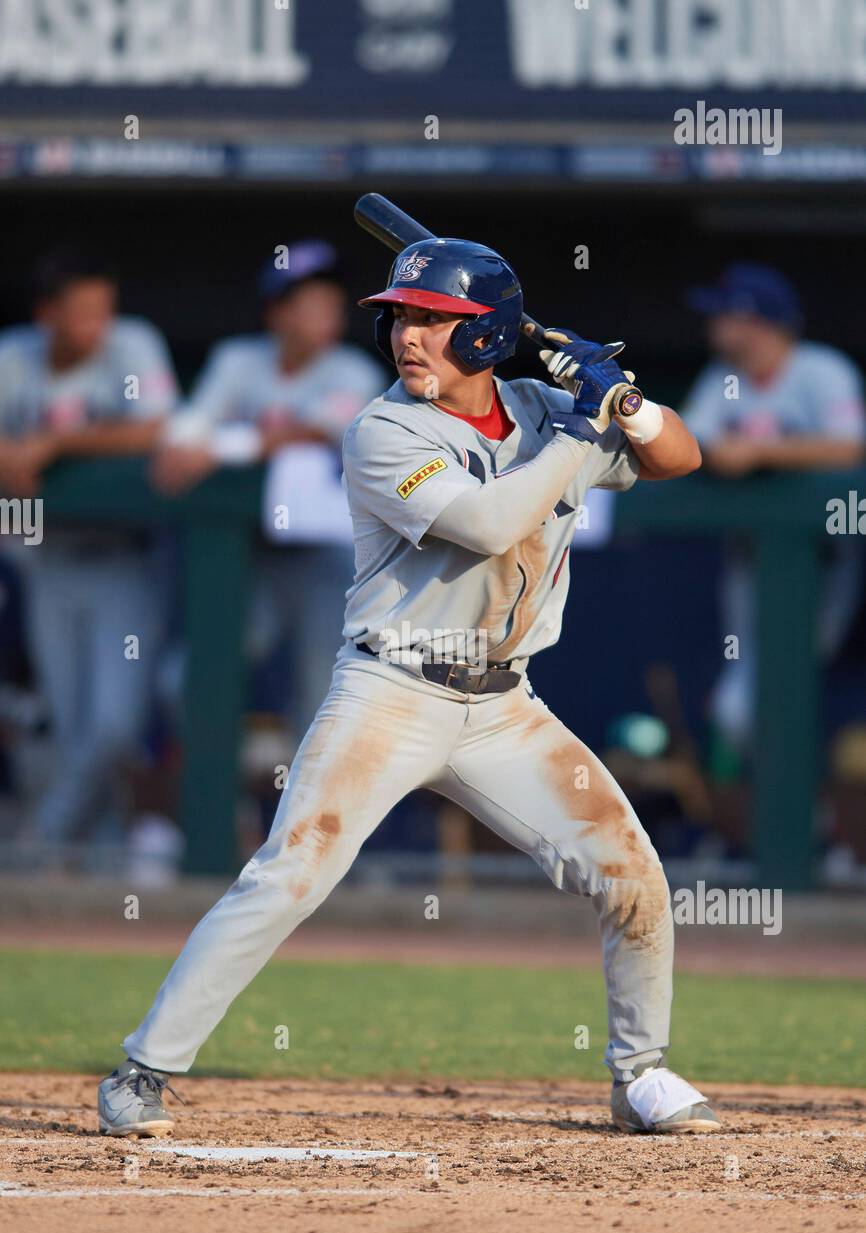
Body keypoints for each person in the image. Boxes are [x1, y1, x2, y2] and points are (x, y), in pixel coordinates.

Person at [98, 237, 718, 1140]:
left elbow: (681, 459)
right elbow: (490, 521)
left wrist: (624, 398)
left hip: (504, 705)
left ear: (487, 336)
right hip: (391, 690)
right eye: (401, 319)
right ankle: (143, 1072)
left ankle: (640, 1075)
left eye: (434, 321)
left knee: (633, 874)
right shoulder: (384, 429)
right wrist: (587, 429)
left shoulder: (548, 408)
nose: (408, 338)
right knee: (290, 874)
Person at [150, 240, 386, 740]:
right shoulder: (239, 359)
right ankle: (234, 796)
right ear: (276, 313)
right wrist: (183, 442)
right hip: (254, 555)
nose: (323, 315)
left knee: (325, 704)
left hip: (329, 559)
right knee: (189, 681)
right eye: (307, 304)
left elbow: (318, 431)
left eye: (330, 304)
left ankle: (308, 812)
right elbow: (192, 425)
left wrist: (223, 448)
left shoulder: (355, 371)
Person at [0, 247, 178, 857]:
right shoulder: (14, 355)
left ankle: (38, 848)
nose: (95, 327)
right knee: (73, 731)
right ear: (47, 314)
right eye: (80, 314)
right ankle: (98, 870)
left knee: (112, 728)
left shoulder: (132, 343)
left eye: (102, 312)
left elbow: (158, 428)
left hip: (124, 561)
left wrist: (52, 442)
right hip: (45, 560)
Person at [683, 262, 865, 759]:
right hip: (750, 557)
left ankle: (806, 823)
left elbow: (850, 449)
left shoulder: (821, 370)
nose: (714, 325)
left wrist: (763, 453)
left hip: (822, 559)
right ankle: (782, 824)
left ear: (754, 321)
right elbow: (695, 439)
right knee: (745, 697)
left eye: (724, 315)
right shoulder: (724, 378)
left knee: (782, 688)